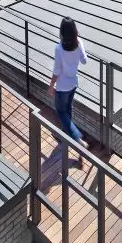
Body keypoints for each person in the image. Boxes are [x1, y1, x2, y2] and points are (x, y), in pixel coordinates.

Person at [48, 18, 89, 153]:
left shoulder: (59, 48)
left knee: (61, 111)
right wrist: (81, 45)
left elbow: (57, 70)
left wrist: (51, 85)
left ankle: (76, 137)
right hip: (73, 83)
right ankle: (66, 134)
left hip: (62, 86)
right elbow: (84, 61)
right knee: (68, 108)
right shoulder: (79, 43)